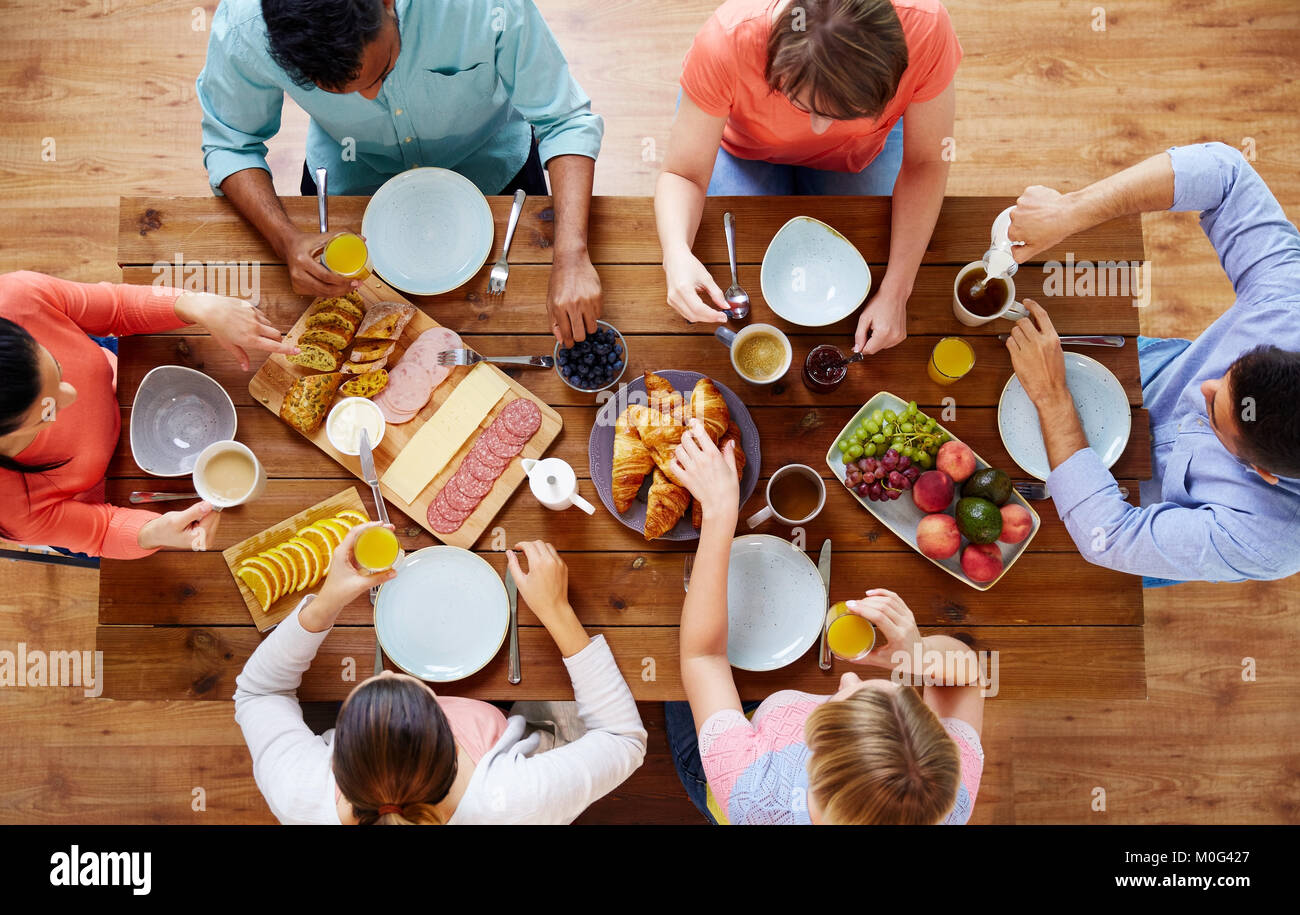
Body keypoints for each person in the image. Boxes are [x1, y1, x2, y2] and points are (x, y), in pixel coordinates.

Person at [197, 0, 604, 346]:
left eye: (384, 69)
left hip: (497, 172)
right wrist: (286, 241)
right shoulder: (246, 26)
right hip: (351, 183)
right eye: (340, 92)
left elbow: (563, 119)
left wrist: (572, 255)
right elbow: (231, 143)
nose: (371, 97)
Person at [1003, 142, 1300, 583]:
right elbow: (1225, 174)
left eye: (1216, 413)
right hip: (1142, 374)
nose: (1205, 388)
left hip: (1130, 511)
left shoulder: (1268, 541)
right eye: (1227, 374)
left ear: (1262, 472)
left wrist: (1052, 397)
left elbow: (1109, 535)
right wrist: (1071, 211)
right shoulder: (1289, 307)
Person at [663, 419, 984, 824]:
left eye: (837, 699)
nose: (848, 678)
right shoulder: (942, 794)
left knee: (670, 680)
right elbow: (966, 677)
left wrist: (720, 512)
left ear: (811, 765)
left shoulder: (753, 793)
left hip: (721, 767)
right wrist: (914, 659)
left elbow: (703, 657)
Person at [234, 529, 647, 824]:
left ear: (337, 763)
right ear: (451, 752)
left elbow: (259, 691)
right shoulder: (517, 801)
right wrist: (556, 610)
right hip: (525, 748)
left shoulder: (298, 793)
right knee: (568, 697)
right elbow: (623, 738)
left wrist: (326, 601)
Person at [654, 0, 961, 354]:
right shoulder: (725, 42)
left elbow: (926, 162)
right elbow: (683, 173)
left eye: (844, 113)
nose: (818, 130)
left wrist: (897, 291)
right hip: (744, 149)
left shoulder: (926, 27)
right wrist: (675, 253)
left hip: (860, 153)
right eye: (803, 106)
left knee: (870, 243)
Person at [0, 270, 295, 558]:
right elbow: (102, 532)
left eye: (57, 367)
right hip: (105, 493)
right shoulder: (10, 508)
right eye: (46, 412)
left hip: (127, 367)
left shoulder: (16, 299)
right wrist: (154, 532)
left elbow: (117, 306)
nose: (73, 395)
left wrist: (196, 304)